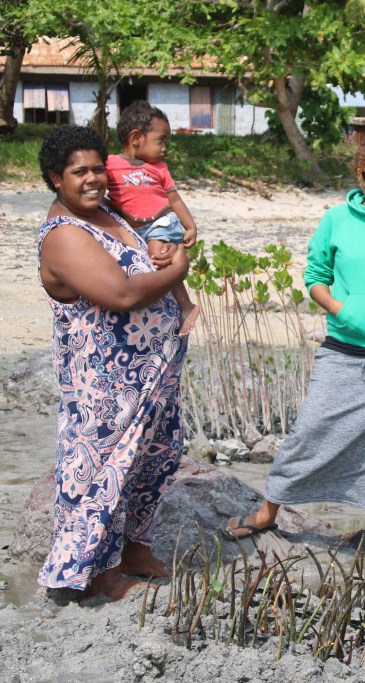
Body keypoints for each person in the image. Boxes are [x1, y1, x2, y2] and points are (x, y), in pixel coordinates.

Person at [225, 133, 365, 570]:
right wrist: (338, 309)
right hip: (343, 347)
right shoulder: (335, 219)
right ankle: (267, 514)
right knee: (311, 428)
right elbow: (315, 274)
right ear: (358, 176)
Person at [36, 125, 190, 600]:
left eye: (98, 168)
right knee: (103, 473)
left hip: (149, 374)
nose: (92, 179)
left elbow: (152, 248)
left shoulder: (107, 213)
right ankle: (96, 573)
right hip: (104, 387)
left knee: (155, 457)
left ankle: (134, 548)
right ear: (55, 179)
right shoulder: (64, 234)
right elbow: (121, 294)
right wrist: (179, 269)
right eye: (78, 171)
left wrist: (166, 250)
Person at [105, 100, 200, 336]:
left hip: (161, 221)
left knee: (159, 257)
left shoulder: (159, 168)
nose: (165, 147)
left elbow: (174, 200)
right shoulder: (110, 164)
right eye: (161, 140)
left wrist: (190, 226)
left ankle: (185, 305)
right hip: (131, 227)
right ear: (136, 138)